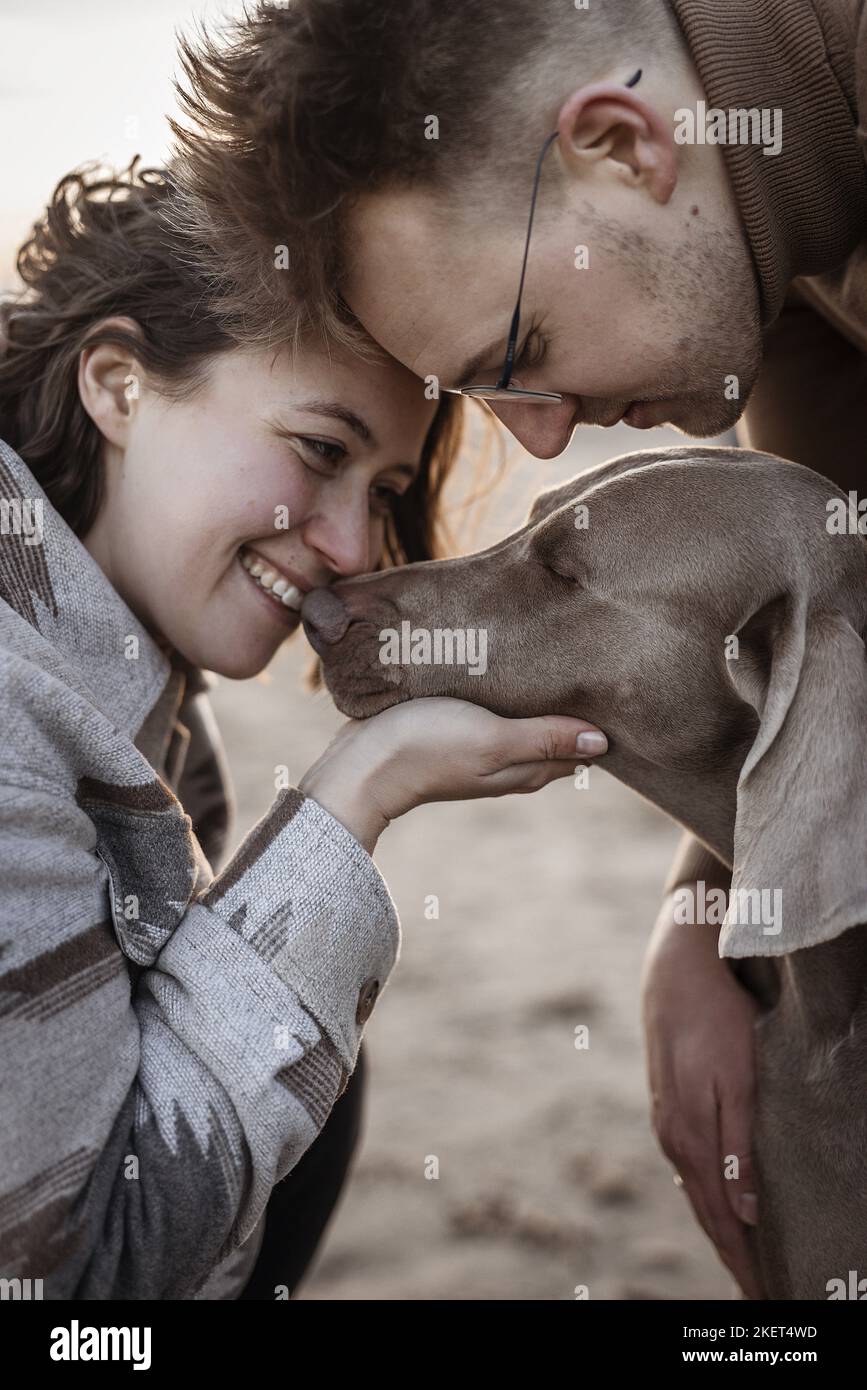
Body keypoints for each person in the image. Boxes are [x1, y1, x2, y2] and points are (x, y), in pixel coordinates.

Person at [169, 0, 867, 1299]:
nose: (539, 439)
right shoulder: (764, 269)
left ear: (620, 146)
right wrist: (703, 905)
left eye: (522, 353)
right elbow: (822, 635)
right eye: (487, 396)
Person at [0, 161, 607, 1299]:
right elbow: (78, 1284)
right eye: (320, 452)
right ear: (120, 387)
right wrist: (355, 793)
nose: (347, 545)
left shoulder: (141, 704)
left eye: (382, 490)